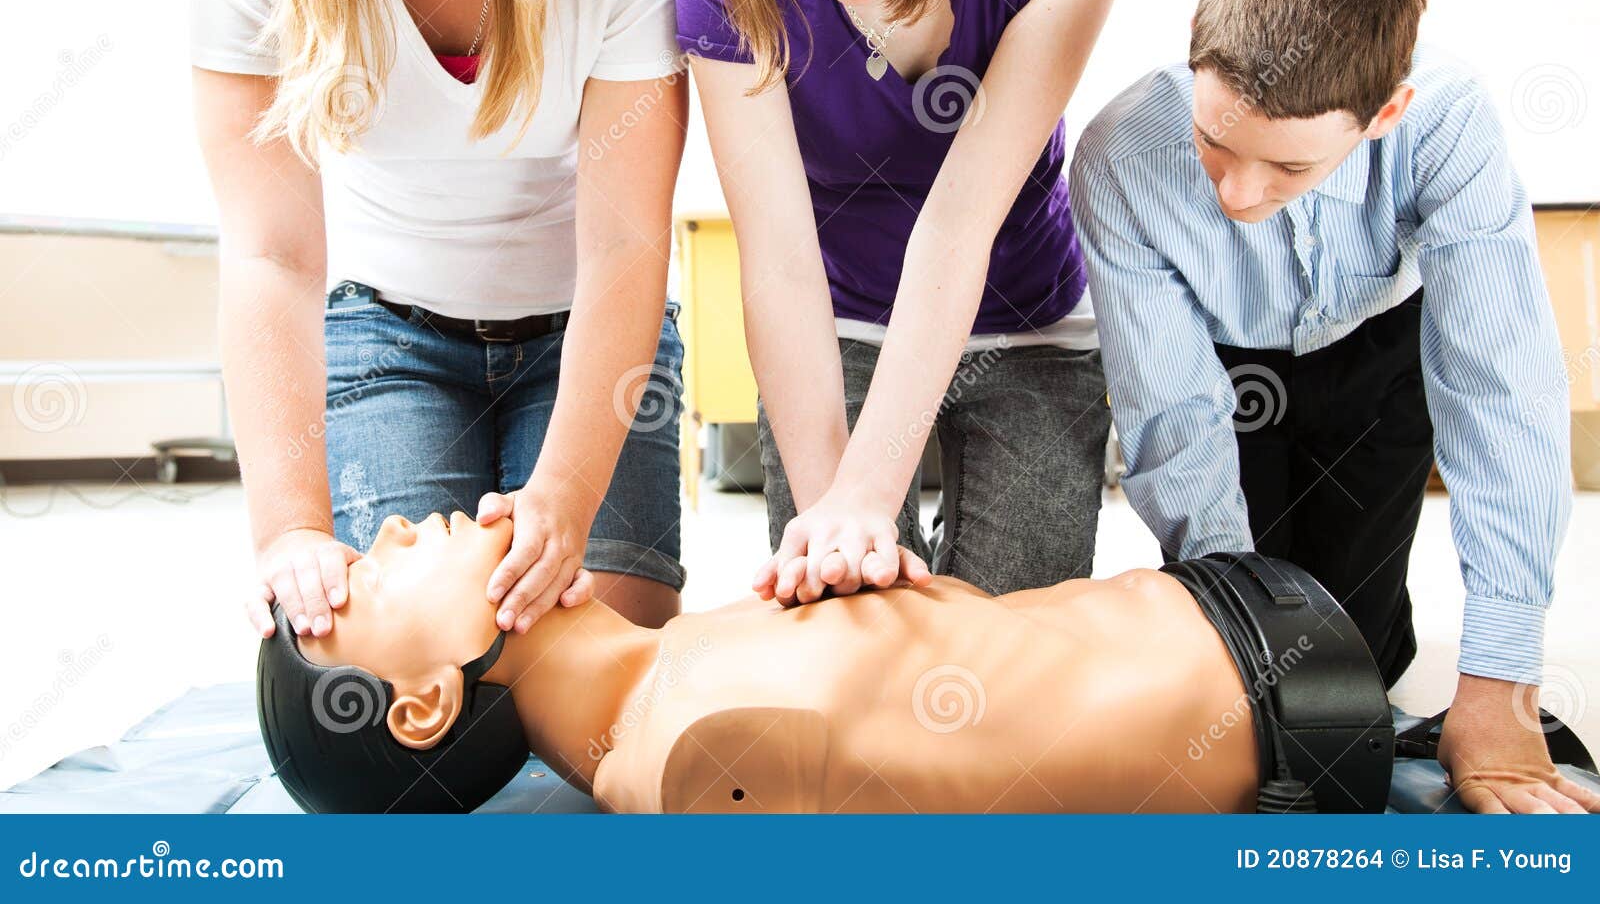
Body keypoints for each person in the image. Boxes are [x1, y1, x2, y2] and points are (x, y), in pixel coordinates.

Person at [191, 0, 688, 645]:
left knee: (590, 647)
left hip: (576, 325)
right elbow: (271, 255)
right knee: (392, 644)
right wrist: (290, 528)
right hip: (387, 332)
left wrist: (564, 494)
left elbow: (629, 246)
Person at [1070, 0, 1582, 815]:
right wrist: (1238, 642)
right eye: (1216, 145)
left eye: (1288, 168)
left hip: (1376, 353)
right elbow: (1173, 412)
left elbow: (1498, 386)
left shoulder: (1447, 125)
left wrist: (1503, 682)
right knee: (1260, 653)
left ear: (1384, 115)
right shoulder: (1123, 152)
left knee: (1356, 654)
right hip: (1223, 368)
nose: (1236, 194)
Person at [676, 0, 1126, 609]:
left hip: (1029, 321)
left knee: (1005, 639)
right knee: (842, 612)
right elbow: (780, 262)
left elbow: (958, 226)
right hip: (839, 324)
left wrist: (874, 493)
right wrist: (840, 507)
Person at [257, 509, 1430, 814]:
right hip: (1288, 708)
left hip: (1239, 615)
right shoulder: (694, 762)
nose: (399, 532)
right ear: (420, 707)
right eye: (368, 575)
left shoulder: (680, 665)